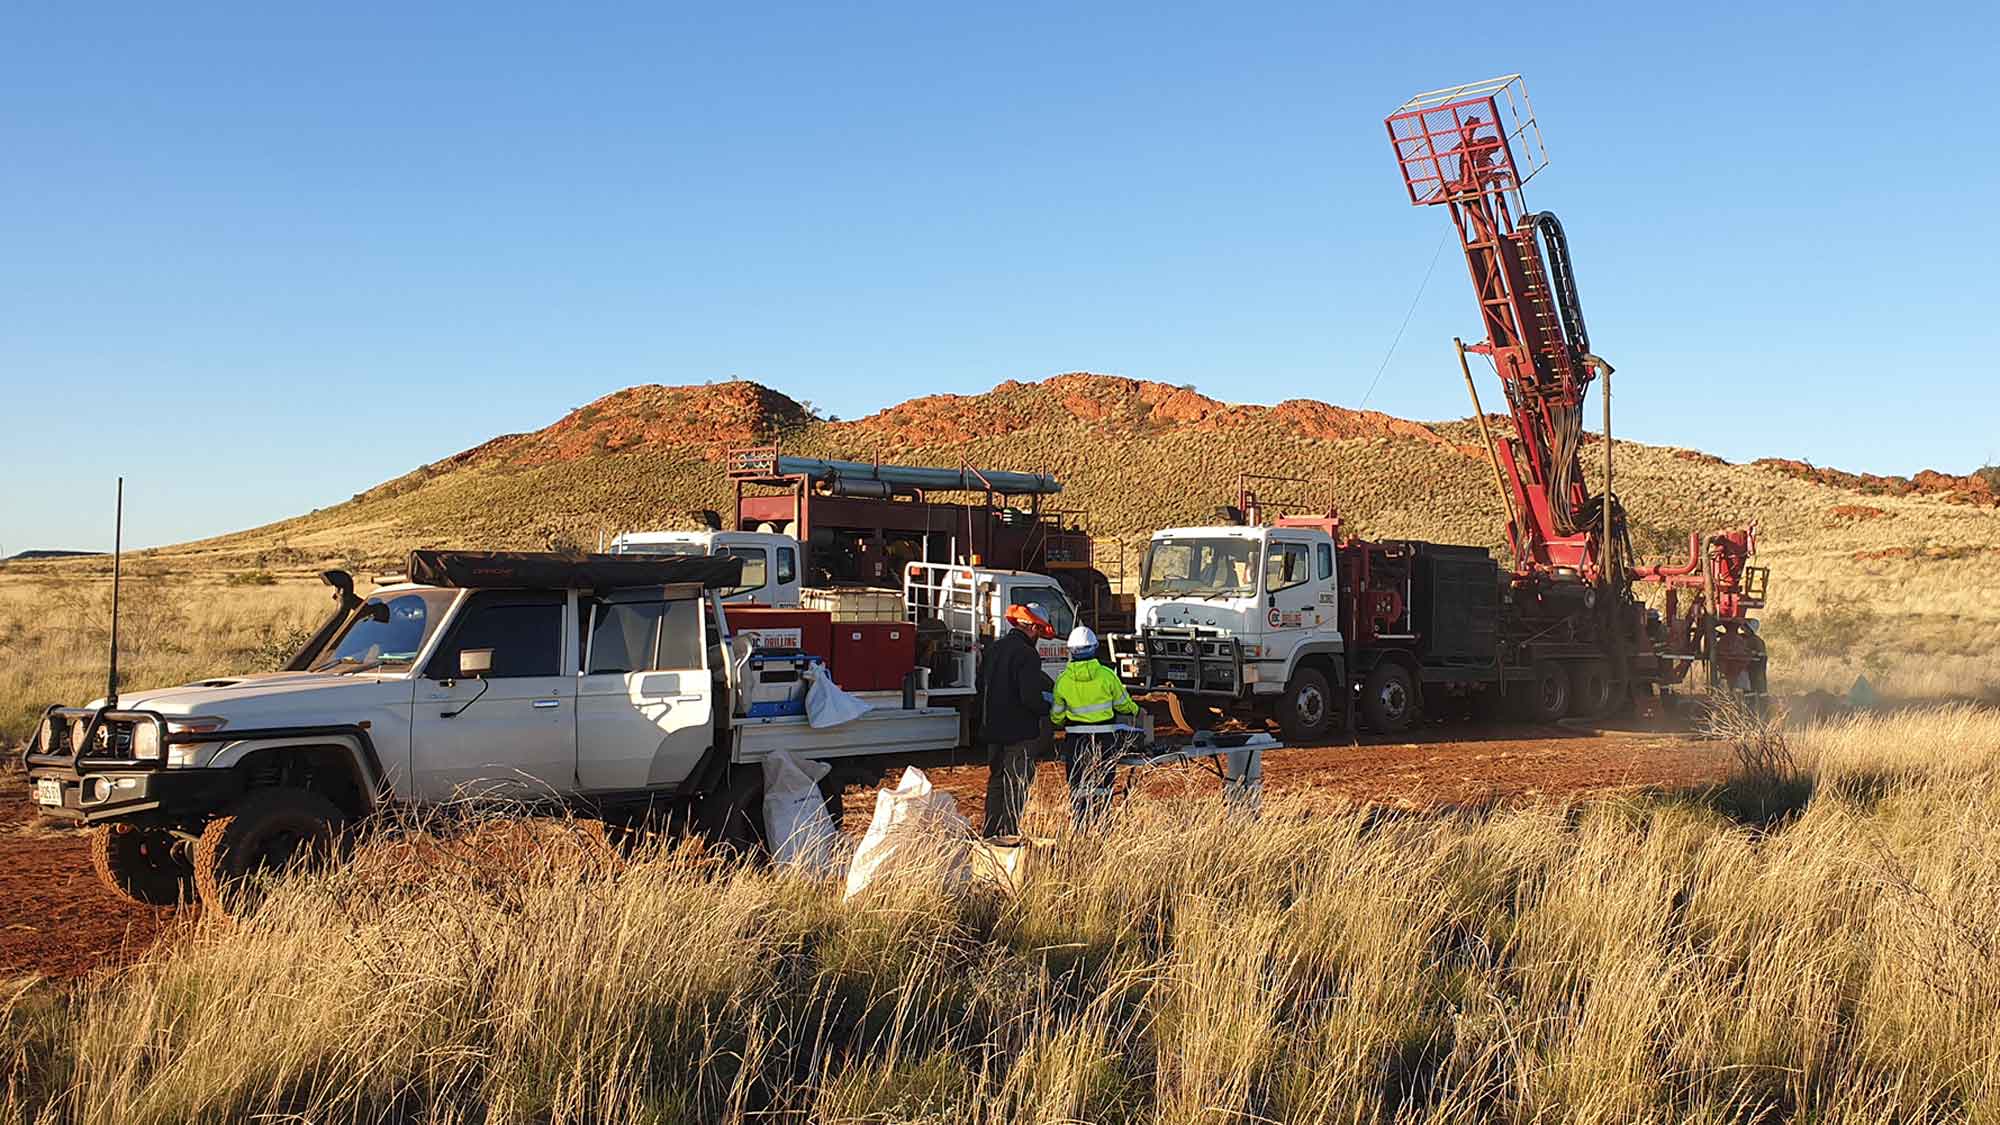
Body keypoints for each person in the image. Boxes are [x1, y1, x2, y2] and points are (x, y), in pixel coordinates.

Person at [977, 603, 1055, 837]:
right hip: (1020, 733)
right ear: (1031, 626)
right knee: (1017, 784)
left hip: (992, 729)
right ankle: (1010, 834)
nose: (1039, 637)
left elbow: (982, 686)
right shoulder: (1027, 654)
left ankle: (990, 833)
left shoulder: (994, 648)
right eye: (1039, 632)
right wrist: (1047, 708)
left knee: (996, 781)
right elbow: (1029, 697)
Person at [1050, 625, 1139, 830]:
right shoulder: (1107, 675)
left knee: (1077, 785)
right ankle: (1102, 826)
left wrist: (1058, 722)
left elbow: (1056, 715)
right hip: (1104, 739)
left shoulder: (1063, 680)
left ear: (1071, 650)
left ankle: (1080, 827)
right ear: (1095, 648)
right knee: (1103, 785)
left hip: (1075, 739)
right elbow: (1123, 704)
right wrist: (1135, 710)